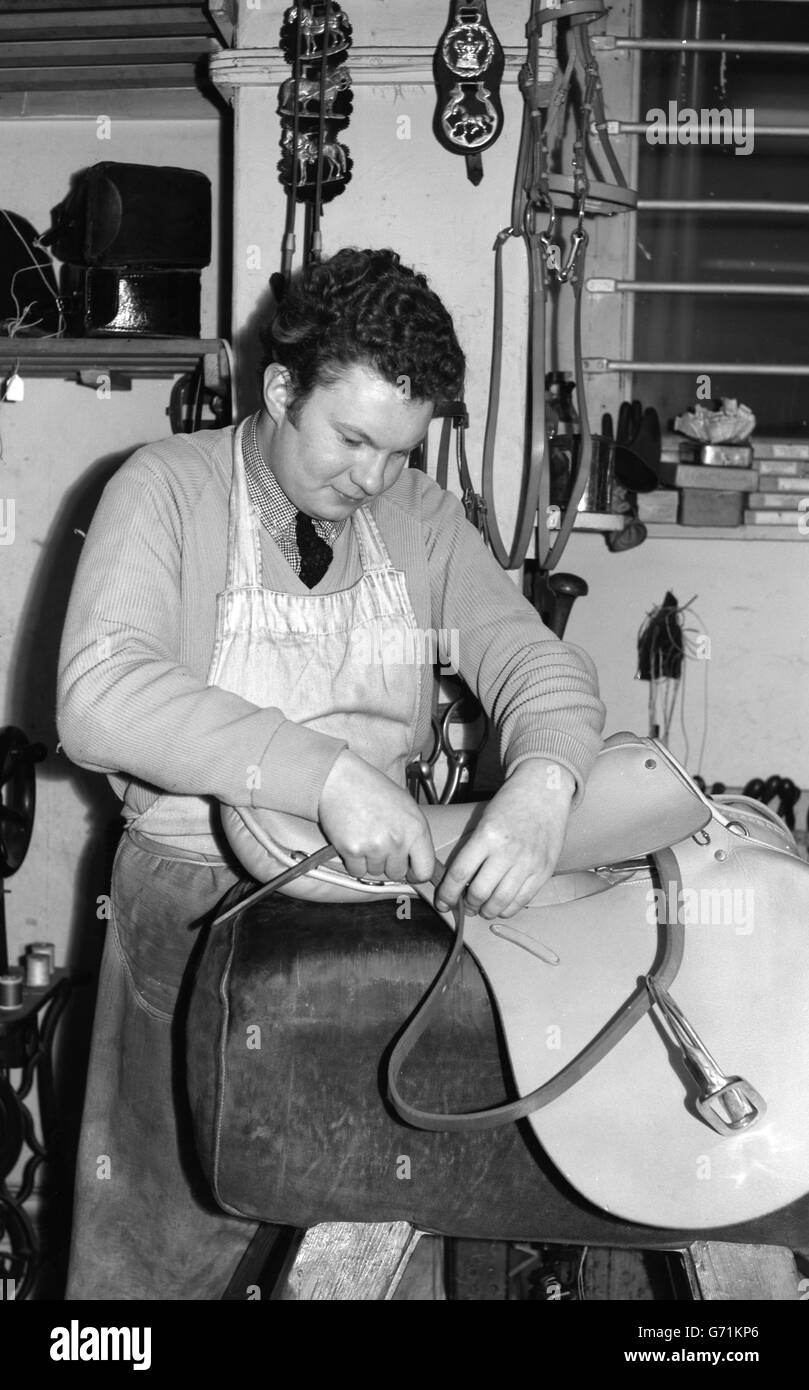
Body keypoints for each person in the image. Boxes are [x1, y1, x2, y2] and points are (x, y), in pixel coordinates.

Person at [57, 247, 605, 1299]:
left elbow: (533, 662)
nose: (372, 478)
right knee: (158, 1252)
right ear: (279, 391)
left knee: (372, 1224)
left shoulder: (418, 518)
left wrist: (545, 780)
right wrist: (325, 775)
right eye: (351, 439)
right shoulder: (166, 488)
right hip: (194, 904)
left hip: (371, 907)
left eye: (399, 451)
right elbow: (98, 695)